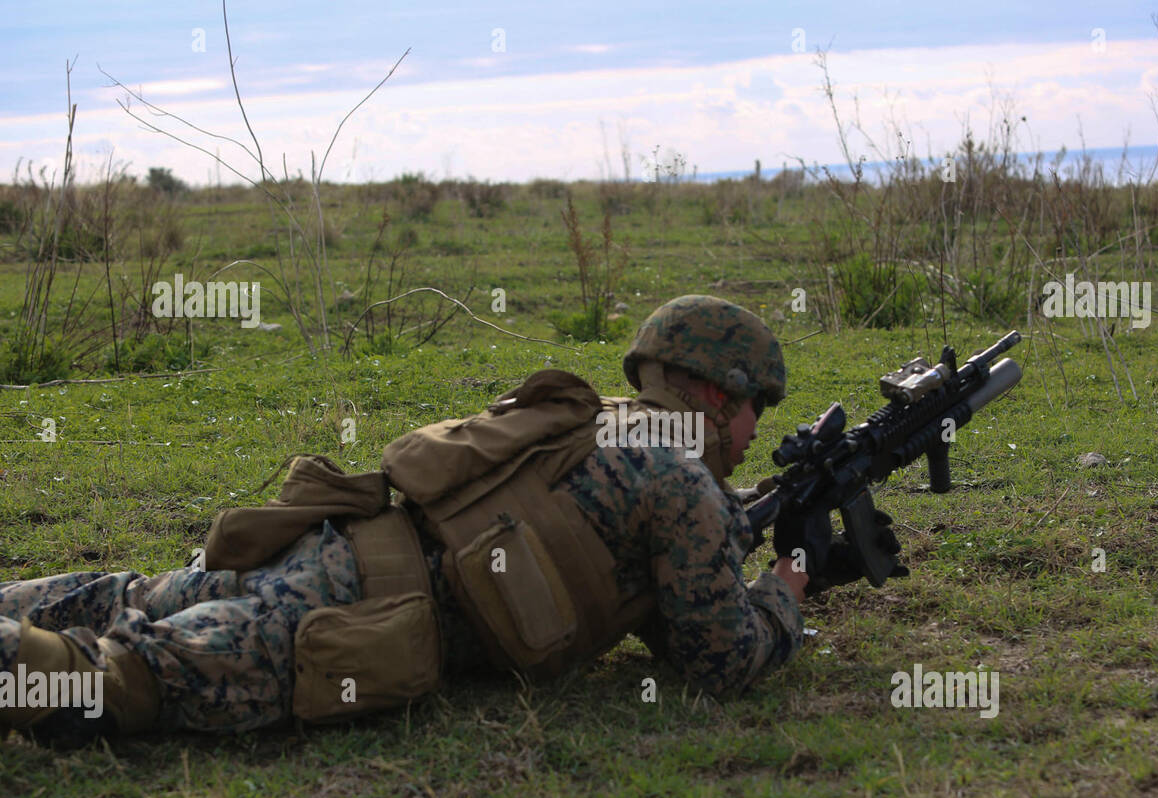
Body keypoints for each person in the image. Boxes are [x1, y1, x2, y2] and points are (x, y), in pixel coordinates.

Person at [0, 295, 857, 747]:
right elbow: (722, 661)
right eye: (754, 408)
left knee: (134, 595)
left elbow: (648, 604)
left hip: (336, 542)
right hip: (356, 615)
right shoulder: (685, 483)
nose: (752, 433)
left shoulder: (605, 425)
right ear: (713, 392)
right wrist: (785, 593)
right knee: (133, 678)